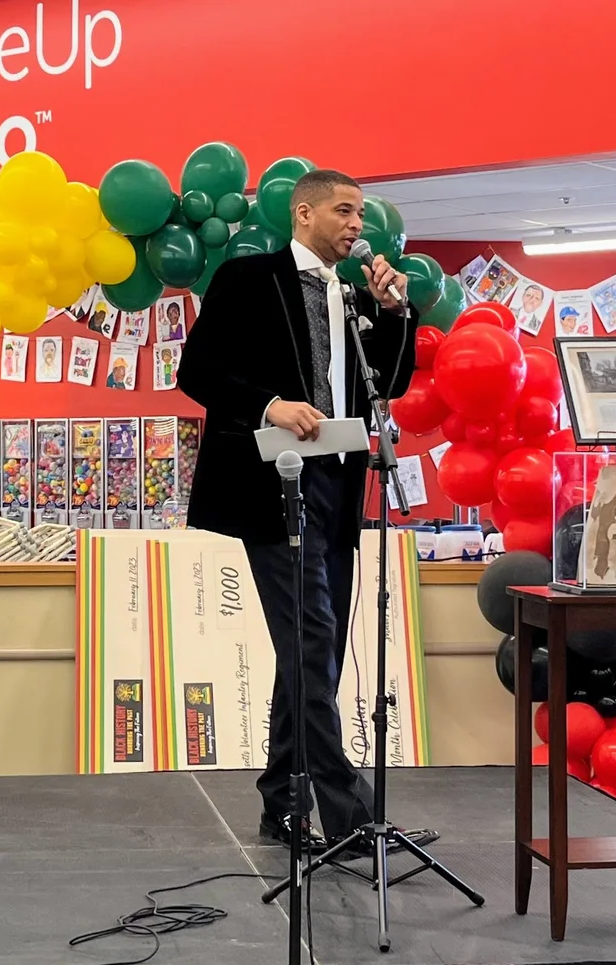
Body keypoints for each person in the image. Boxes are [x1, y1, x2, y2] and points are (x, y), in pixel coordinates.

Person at [177, 170, 435, 856]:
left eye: (361, 214)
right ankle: (348, 812)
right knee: (314, 641)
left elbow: (391, 381)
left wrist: (393, 314)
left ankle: (280, 805)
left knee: (307, 650)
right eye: (344, 211)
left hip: (340, 485)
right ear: (303, 213)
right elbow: (196, 372)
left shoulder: (354, 295)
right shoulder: (247, 279)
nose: (357, 224)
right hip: (272, 484)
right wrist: (270, 404)